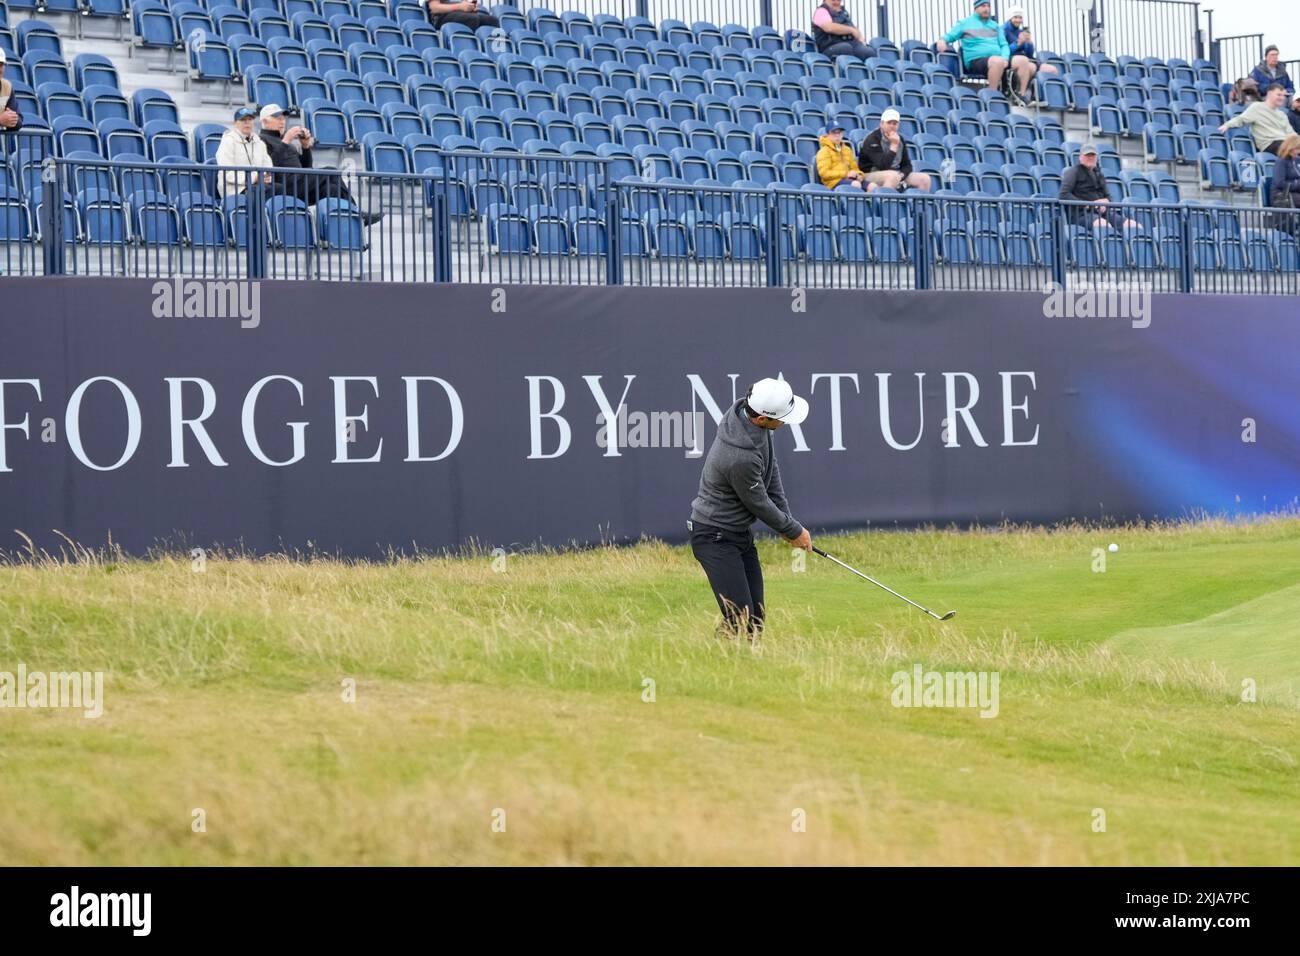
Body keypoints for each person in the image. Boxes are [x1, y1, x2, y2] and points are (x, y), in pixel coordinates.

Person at [688, 378, 813, 642]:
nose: (785, 423)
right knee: (739, 616)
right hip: (714, 537)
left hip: (739, 534)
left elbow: (771, 473)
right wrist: (793, 530)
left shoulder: (755, 423)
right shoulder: (739, 457)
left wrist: (788, 524)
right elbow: (757, 502)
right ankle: (712, 661)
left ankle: (748, 662)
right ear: (762, 418)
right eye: (782, 419)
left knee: (755, 618)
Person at [257, 104, 381, 224]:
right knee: (331, 171)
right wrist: (285, 141)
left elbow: (306, 168)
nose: (282, 121)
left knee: (331, 189)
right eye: (277, 118)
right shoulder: (261, 140)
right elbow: (270, 165)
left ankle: (341, 225)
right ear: (264, 121)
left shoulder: (285, 142)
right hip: (283, 186)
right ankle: (356, 213)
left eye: (283, 118)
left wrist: (305, 147)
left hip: (299, 184)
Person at [938, 1, 1016, 105]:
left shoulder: (995, 26)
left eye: (988, 6)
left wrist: (1005, 58)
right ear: (976, 8)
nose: (987, 9)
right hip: (976, 61)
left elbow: (1004, 45)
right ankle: (992, 96)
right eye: (983, 6)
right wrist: (942, 40)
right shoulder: (965, 23)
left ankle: (1020, 97)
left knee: (1022, 61)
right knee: (997, 61)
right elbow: (949, 36)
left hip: (998, 59)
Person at [1059, 142, 1138, 229]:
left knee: (1133, 225)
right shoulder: (1073, 172)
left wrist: (1105, 202)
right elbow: (1064, 194)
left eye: (1093, 155)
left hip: (1102, 214)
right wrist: (1087, 204)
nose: (1090, 158)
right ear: (1080, 157)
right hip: (1081, 215)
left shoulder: (1099, 174)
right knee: (1103, 225)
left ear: (1096, 158)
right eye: (1087, 155)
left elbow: (1109, 197)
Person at [858, 108, 932, 191]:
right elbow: (882, 165)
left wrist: (901, 175)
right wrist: (894, 146)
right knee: (892, 176)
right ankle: (884, 198)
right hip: (869, 174)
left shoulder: (900, 139)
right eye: (889, 123)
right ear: (881, 124)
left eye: (895, 123)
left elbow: (907, 165)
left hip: (895, 173)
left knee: (924, 179)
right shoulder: (872, 139)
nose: (892, 126)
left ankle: (919, 200)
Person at [1002, 6, 1057, 104]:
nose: (1018, 20)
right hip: (1012, 59)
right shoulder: (1003, 30)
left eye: (1020, 17)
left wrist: (1029, 43)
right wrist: (1018, 43)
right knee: (1030, 66)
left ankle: (1041, 97)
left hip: (1026, 58)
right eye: (1015, 17)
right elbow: (1004, 50)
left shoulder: (1021, 32)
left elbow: (1029, 54)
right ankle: (1021, 96)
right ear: (1010, 18)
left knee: (1052, 70)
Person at [215, 106, 274, 197]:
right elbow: (228, 174)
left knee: (280, 189)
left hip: (258, 186)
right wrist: (254, 178)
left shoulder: (260, 143)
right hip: (235, 189)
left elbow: (268, 167)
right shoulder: (228, 141)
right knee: (265, 191)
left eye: (250, 119)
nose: (247, 123)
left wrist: (265, 177)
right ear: (235, 123)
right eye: (243, 120)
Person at [1219, 85, 1293, 155]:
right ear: (1269, 94)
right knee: (1289, 148)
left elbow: (1290, 132)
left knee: (1294, 147)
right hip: (1270, 144)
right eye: (1279, 95)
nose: (1282, 98)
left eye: (1283, 95)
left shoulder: (1282, 114)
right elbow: (1242, 119)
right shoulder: (1257, 107)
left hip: (1285, 143)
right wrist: (1227, 125)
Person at [810, 0, 876, 61]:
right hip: (829, 47)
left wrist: (861, 40)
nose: (836, 2)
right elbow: (829, 27)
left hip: (850, 44)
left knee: (868, 52)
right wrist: (851, 30)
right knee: (845, 48)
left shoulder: (843, 13)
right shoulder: (821, 11)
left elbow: (856, 31)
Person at [815, 124, 870, 190]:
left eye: (839, 133)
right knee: (856, 184)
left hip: (849, 179)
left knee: (872, 186)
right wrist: (846, 174)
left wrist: (859, 175)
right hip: (832, 183)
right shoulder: (824, 152)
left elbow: (855, 168)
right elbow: (824, 174)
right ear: (827, 135)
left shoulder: (847, 150)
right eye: (834, 133)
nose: (837, 135)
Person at [1269, 133, 1300, 235]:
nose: (1298, 152)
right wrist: (1297, 184)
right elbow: (1280, 183)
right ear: (1289, 148)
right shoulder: (1281, 162)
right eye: (1297, 149)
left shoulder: (1297, 160)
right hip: (1282, 195)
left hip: (1295, 193)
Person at [425, 0, 499, 30]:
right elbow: (434, 8)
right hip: (442, 17)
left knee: (492, 20)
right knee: (472, 18)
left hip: (460, 14)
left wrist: (469, 7)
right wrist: (459, 7)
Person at [0, 49, 23, 135]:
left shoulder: (7, 86)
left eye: (1, 65)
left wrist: (11, 119)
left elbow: (19, 121)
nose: (0, 69)